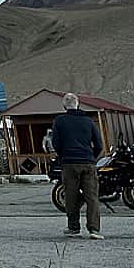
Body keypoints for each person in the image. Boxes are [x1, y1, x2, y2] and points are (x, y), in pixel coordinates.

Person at [51, 92, 103, 240]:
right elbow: (99, 144)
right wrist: (92, 157)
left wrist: (63, 156)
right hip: (88, 162)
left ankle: (74, 227)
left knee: (71, 195)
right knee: (92, 196)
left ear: (64, 105)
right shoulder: (88, 121)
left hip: (69, 163)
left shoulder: (59, 121)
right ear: (78, 103)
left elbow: (56, 143)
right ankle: (94, 229)